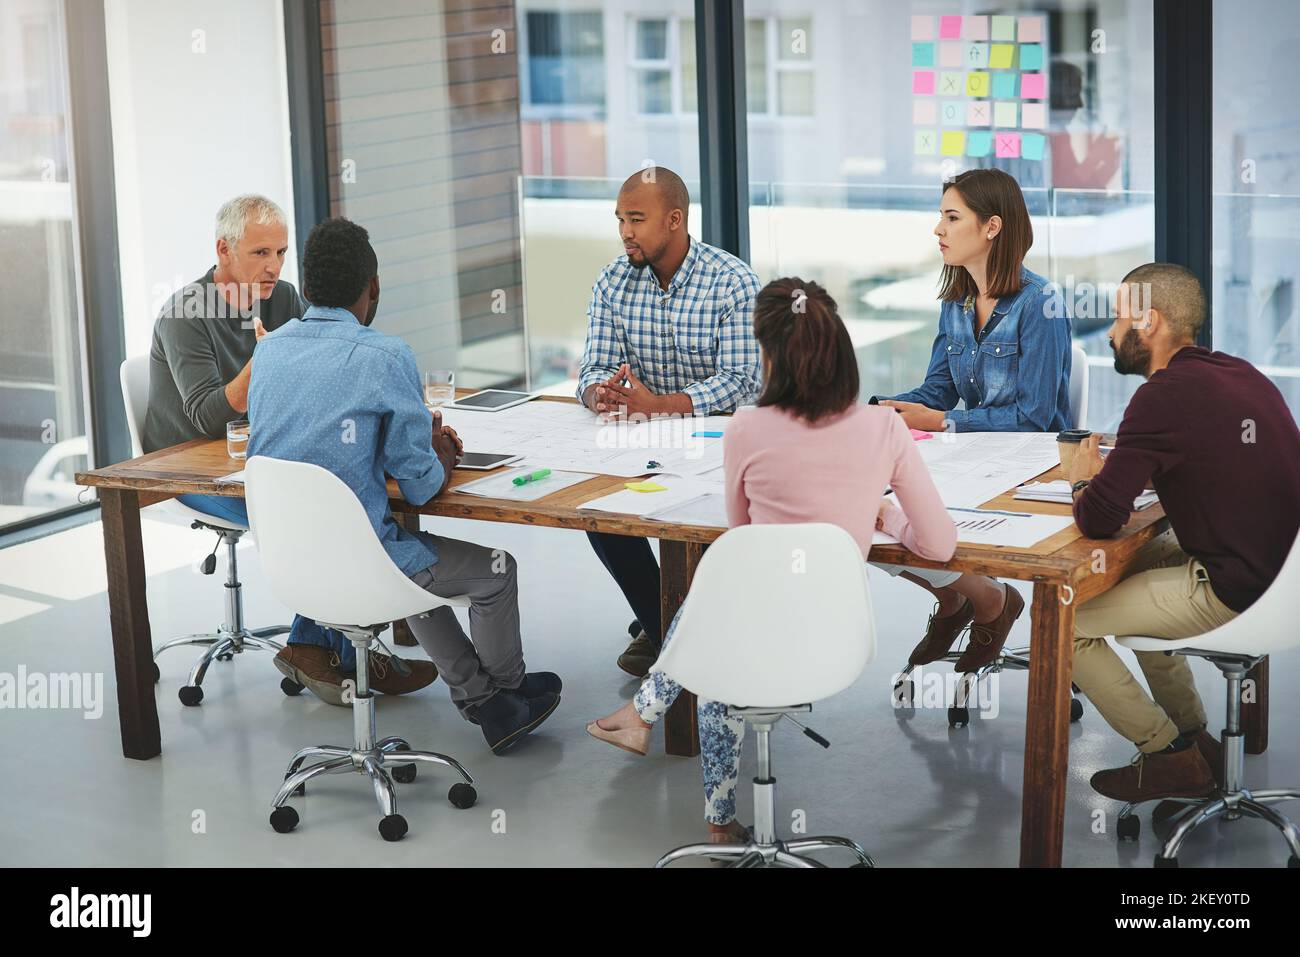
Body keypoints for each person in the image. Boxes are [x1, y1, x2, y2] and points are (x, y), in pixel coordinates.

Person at [586, 279, 957, 842]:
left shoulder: (747, 427)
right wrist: (885, 516)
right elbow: (939, 545)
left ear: (769, 354)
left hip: (753, 628)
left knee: (718, 610)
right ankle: (693, 788)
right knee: (720, 623)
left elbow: (742, 532)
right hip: (834, 639)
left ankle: (679, 764)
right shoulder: (885, 427)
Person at [248, 218, 562, 754]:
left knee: (411, 572)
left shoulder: (270, 351)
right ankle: (505, 699)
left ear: (307, 286)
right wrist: (436, 451)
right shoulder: (384, 355)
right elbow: (419, 489)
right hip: (366, 562)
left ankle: (483, 700)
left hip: (288, 565)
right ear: (372, 286)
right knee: (494, 572)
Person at [142, 195, 415, 702]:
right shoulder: (185, 313)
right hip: (191, 472)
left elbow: (327, 361)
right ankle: (323, 649)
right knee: (324, 511)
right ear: (223, 250)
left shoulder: (284, 297)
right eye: (261, 253)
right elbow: (205, 417)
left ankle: (332, 649)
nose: (273, 267)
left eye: (282, 253)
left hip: (266, 458)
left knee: (351, 499)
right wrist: (266, 358)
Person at [1067, 263, 1300, 802]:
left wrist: (1083, 477)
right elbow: (1212, 456)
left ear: (1148, 321)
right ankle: (1196, 741)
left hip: (1237, 589)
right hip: (1282, 579)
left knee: (1064, 621)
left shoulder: (1160, 397)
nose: (1109, 332)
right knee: (1139, 570)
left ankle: (1165, 755)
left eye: (1119, 318)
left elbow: (1099, 519)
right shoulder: (1239, 373)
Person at [871, 168, 1072, 675]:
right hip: (968, 458)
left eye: (951, 217)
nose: (938, 229)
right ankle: (973, 598)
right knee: (862, 515)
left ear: (992, 227)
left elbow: (1035, 419)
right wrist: (880, 409)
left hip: (1025, 467)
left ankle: (975, 601)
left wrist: (942, 423)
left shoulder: (1040, 304)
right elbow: (936, 392)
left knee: (909, 519)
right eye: (940, 216)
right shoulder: (957, 302)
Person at [576, 166, 762, 678]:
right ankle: (665, 629)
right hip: (642, 443)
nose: (625, 232)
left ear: (675, 219)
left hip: (722, 445)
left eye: (637, 219)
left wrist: (659, 404)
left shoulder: (732, 281)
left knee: (700, 530)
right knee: (599, 515)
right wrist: (599, 393)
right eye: (620, 219)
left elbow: (743, 382)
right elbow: (592, 366)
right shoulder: (613, 279)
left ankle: (669, 637)